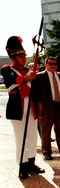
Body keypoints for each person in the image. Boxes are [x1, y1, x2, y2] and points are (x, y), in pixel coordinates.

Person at [1, 36, 45, 179]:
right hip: (17, 107)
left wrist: (38, 107)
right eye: (20, 56)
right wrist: (25, 78)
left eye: (24, 55)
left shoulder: (29, 70)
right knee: (20, 138)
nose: (23, 58)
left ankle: (31, 162)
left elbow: (36, 92)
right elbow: (9, 83)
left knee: (32, 136)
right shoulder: (7, 70)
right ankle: (22, 165)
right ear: (13, 57)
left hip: (31, 106)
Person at [31, 56, 60, 160]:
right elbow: (35, 94)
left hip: (59, 107)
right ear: (45, 64)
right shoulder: (39, 76)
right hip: (46, 108)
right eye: (51, 64)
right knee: (45, 131)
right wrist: (37, 109)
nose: (53, 66)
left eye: (55, 64)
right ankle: (47, 152)